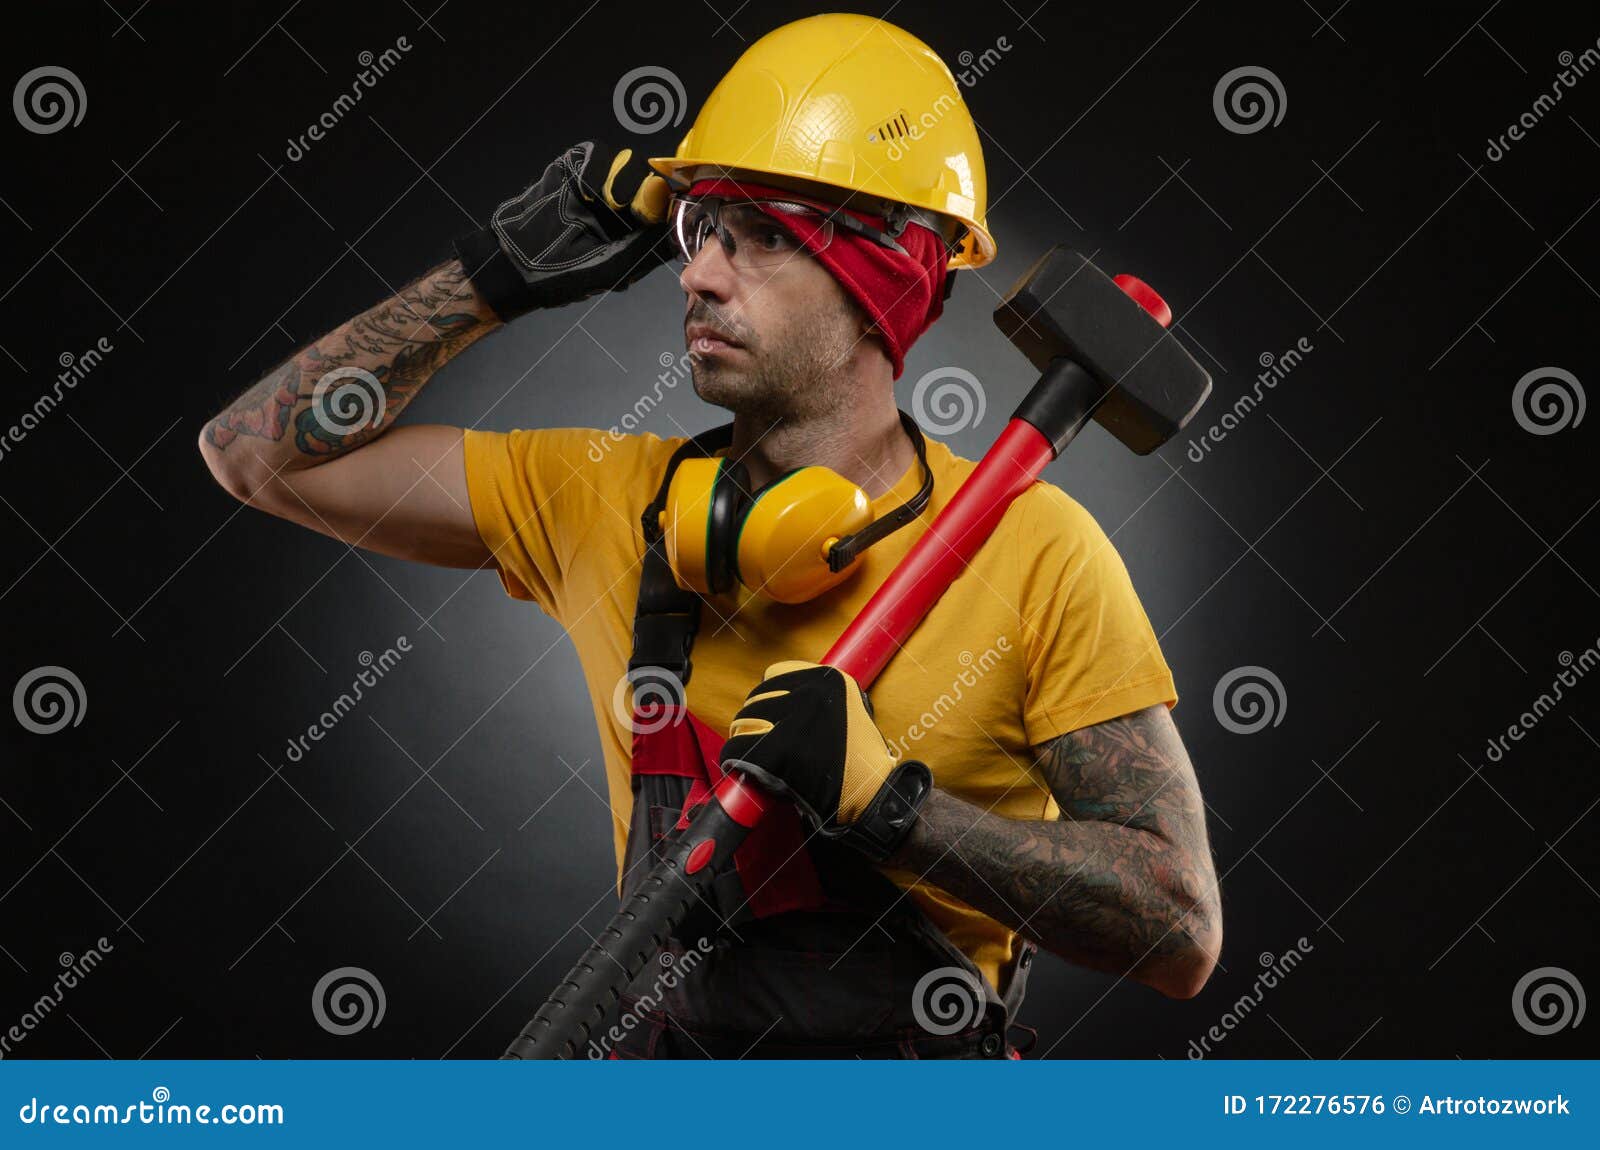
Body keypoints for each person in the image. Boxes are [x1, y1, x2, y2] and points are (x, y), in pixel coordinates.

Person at [198, 13, 1221, 1058]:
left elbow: (1178, 928)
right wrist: (489, 280)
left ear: (887, 275)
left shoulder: (1034, 549)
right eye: (701, 231)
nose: (697, 276)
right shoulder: (600, 496)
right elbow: (253, 454)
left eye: (764, 237)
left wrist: (891, 805)